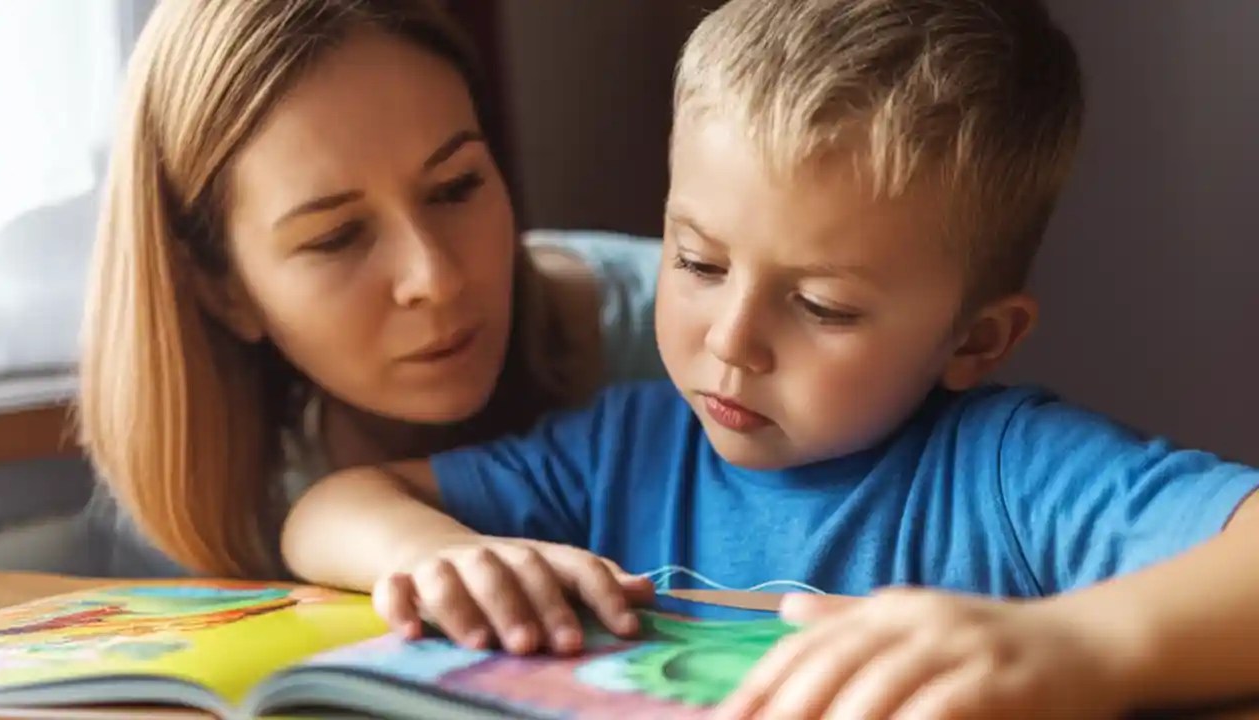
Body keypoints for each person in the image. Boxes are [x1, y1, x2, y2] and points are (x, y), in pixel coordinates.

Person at [282, 0, 1259, 716]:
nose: (729, 339)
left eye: (821, 305)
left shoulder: (1006, 472)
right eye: (697, 261)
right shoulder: (619, 450)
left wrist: (1079, 647)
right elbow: (334, 506)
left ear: (973, 339)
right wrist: (436, 556)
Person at [74, 0, 664, 580]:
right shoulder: (206, 493)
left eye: (456, 187)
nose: (434, 277)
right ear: (219, 288)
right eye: (336, 237)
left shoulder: (704, 342)